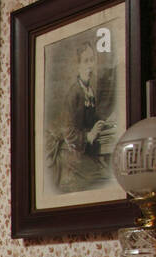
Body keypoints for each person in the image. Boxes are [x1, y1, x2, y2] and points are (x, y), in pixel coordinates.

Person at [51, 43, 115, 193]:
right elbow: (68, 132)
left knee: (108, 168)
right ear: (78, 65)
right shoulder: (75, 93)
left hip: (86, 150)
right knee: (104, 177)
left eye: (92, 60)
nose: (90, 66)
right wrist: (89, 135)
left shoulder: (89, 90)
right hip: (72, 153)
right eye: (85, 61)